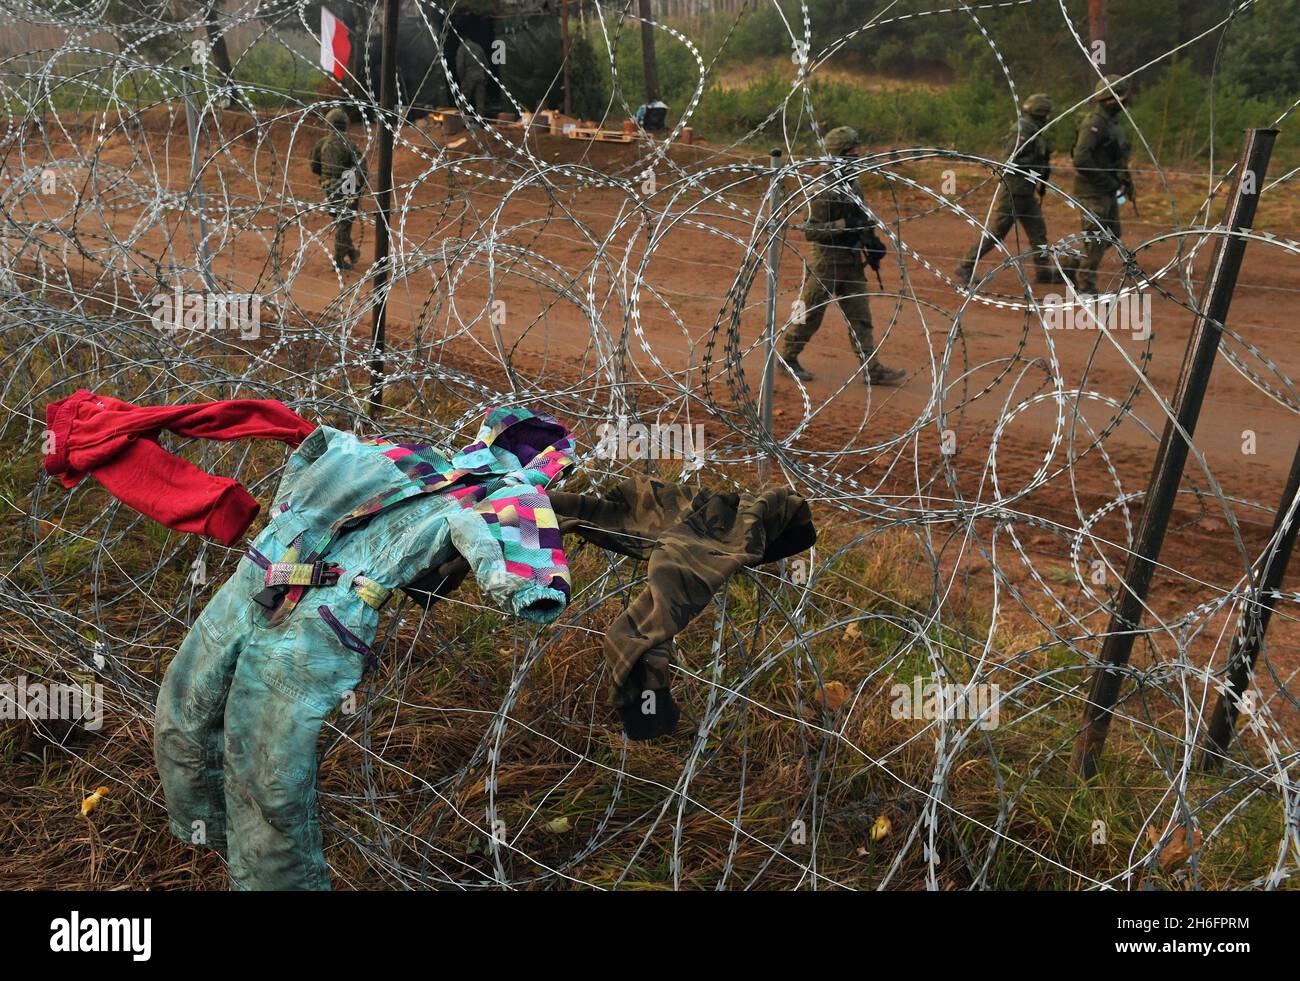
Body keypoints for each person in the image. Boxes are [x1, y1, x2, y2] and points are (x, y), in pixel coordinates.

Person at [781, 126, 906, 386]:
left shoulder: (852, 184)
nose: (858, 155)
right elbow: (811, 231)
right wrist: (843, 225)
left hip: (851, 262)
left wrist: (872, 243)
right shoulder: (824, 189)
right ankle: (788, 357)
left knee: (861, 317)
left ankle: (872, 369)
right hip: (827, 263)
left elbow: (862, 218)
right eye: (852, 151)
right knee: (812, 314)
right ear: (840, 154)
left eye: (858, 149)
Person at [954, 93, 1063, 286]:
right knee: (996, 234)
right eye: (1046, 113)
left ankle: (1043, 271)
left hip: (1026, 193)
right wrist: (1035, 166)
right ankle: (966, 266)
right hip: (1013, 192)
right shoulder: (1022, 130)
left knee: (1038, 231)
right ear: (1040, 114)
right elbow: (1009, 160)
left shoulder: (1035, 130)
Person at [1067, 75, 1134, 295]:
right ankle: (1085, 285)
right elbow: (1080, 159)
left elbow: (1117, 156)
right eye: (1122, 97)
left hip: (1108, 191)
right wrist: (1107, 181)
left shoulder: (1112, 123)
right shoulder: (1094, 124)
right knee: (1097, 236)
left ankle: (1069, 265)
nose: (1126, 101)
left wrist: (1124, 181)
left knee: (1112, 233)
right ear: (1111, 100)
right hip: (1092, 191)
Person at [309, 107, 366, 271]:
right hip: (346, 187)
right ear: (346, 125)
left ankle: (352, 252)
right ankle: (338, 260)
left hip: (328, 186)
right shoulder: (349, 144)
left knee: (340, 221)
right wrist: (359, 188)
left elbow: (314, 166)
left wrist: (327, 176)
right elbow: (361, 168)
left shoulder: (322, 144)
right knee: (344, 223)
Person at [455, 38, 489, 119]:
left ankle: (464, 122)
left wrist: (462, 79)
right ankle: (481, 123)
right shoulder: (478, 47)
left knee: (464, 101)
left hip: (468, 77)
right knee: (480, 102)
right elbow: (486, 64)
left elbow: (460, 66)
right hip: (480, 76)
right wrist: (485, 77)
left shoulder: (462, 48)